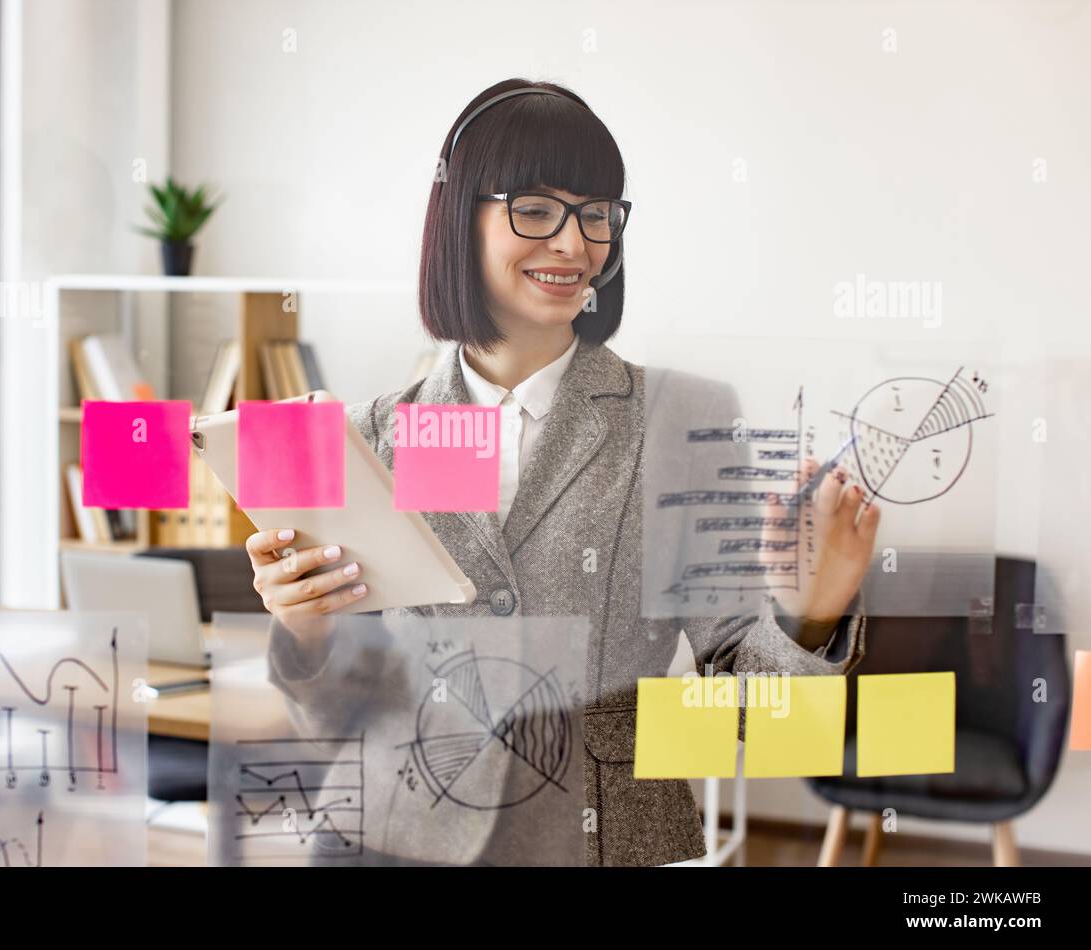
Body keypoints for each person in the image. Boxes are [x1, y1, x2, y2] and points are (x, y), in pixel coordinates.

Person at [246, 78, 880, 865]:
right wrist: (304, 628)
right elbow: (339, 716)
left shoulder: (681, 420)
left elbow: (755, 707)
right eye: (536, 210)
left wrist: (805, 616)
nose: (575, 245)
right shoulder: (374, 432)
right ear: (458, 221)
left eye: (596, 214)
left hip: (598, 834)